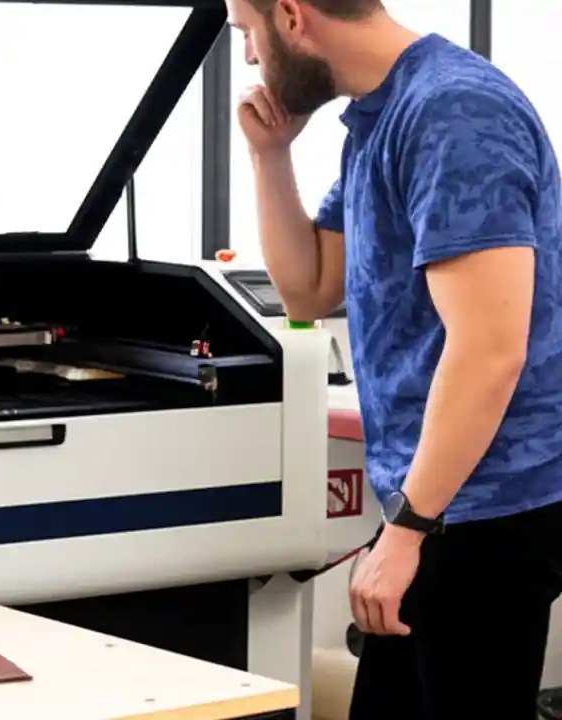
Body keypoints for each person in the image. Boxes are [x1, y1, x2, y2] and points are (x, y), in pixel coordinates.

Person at [223, 0, 562, 717]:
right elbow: (310, 289)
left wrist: (408, 531)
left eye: (247, 32)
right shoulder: (384, 115)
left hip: (489, 508)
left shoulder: (454, 114)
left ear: (292, 17)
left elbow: (490, 350)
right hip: (437, 504)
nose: (249, 56)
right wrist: (269, 155)